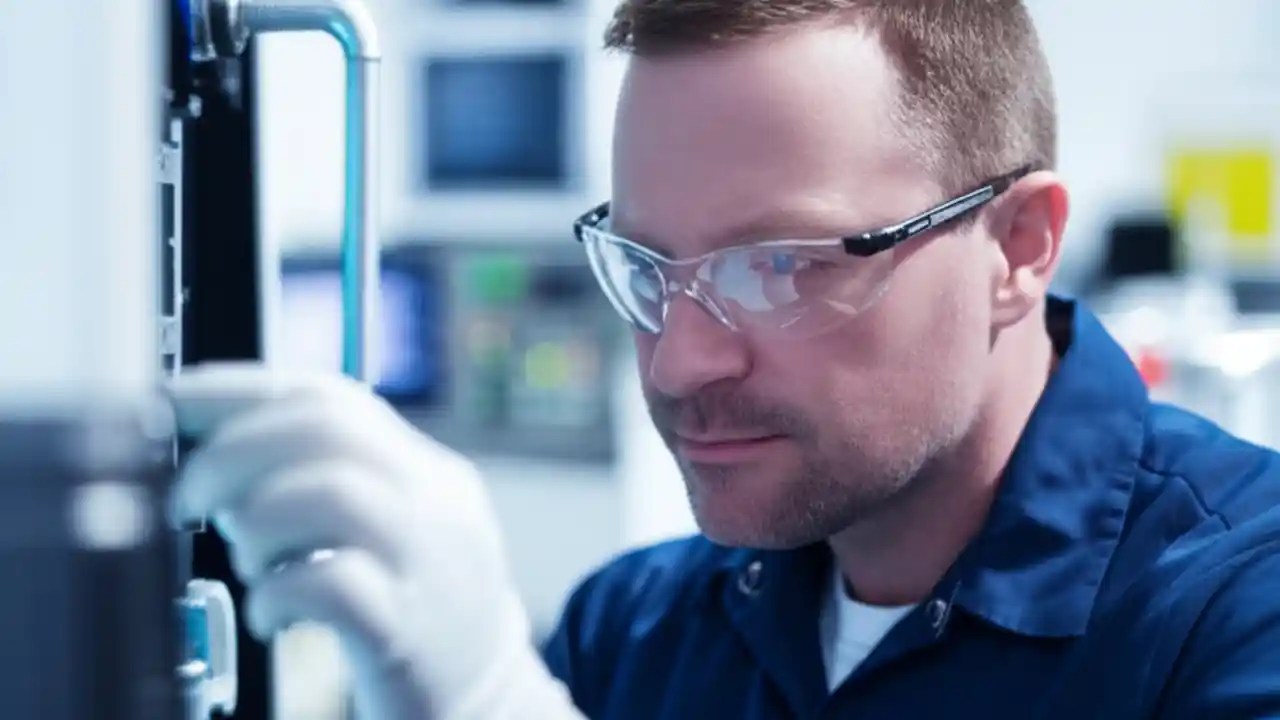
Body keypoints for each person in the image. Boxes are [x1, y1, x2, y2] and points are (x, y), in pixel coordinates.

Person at [168, 1, 1280, 718]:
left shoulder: (1233, 615)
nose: (678, 363)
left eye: (779, 269)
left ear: (1017, 248)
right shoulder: (633, 633)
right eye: (646, 269)